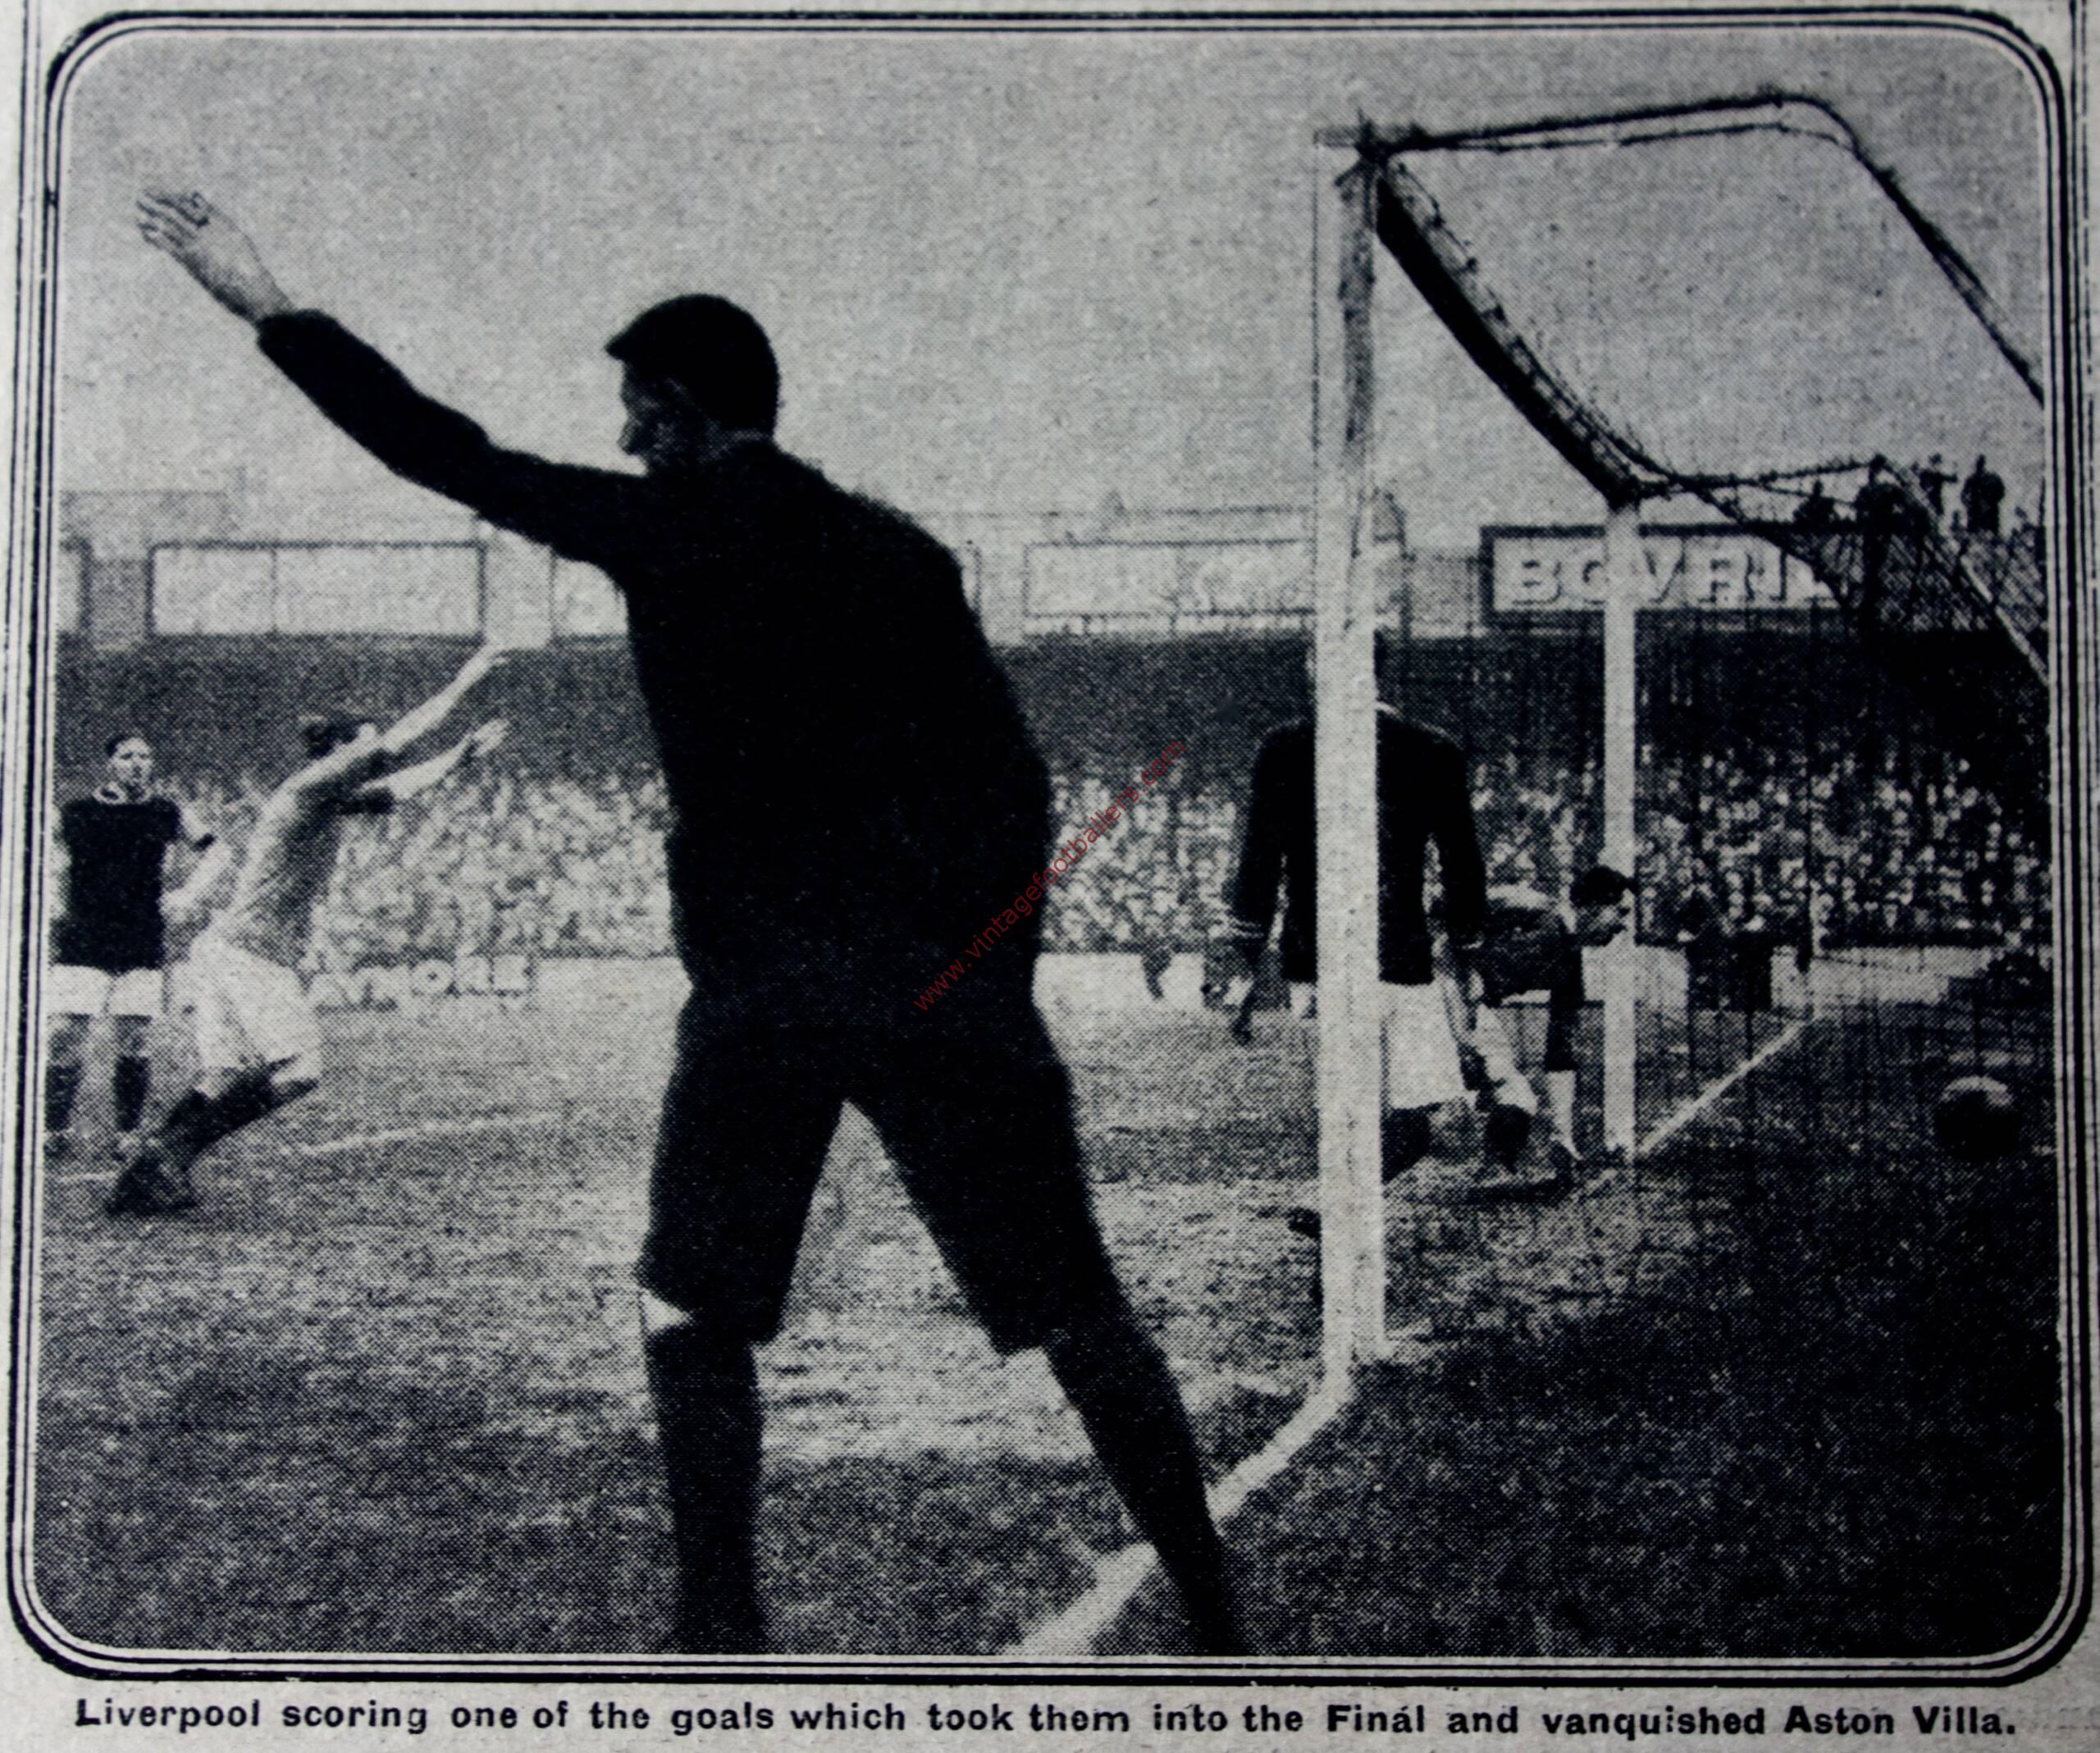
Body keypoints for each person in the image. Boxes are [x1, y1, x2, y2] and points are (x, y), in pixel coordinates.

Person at [139, 189, 1245, 1656]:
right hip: (937, 990)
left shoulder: (664, 533)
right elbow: (1013, 787)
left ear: (683, 411)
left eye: (635, 411)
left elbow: (437, 446)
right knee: (1076, 1306)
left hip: (763, 998)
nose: (620, 438)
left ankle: (720, 1617)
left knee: (692, 1305)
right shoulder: (902, 555)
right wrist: (976, 974)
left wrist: (267, 304)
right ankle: (1222, 1614)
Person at [103, 641, 509, 1217]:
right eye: (362, 744)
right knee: (297, 1070)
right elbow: (395, 747)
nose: (372, 752)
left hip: (224, 946)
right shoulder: (307, 790)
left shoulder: (324, 799)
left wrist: (460, 756)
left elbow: (398, 787)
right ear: (337, 751)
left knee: (222, 1075)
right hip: (251, 950)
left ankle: (146, 1170)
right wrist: (464, 681)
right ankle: (170, 1155)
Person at [1223, 683, 1489, 1235]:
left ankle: (1332, 1216)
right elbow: (1462, 861)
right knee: (1414, 1126)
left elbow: (1258, 857)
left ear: (1314, 665)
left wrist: (1246, 959)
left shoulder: (1285, 746)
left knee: (1355, 1116)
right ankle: (1336, 1234)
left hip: (1316, 962)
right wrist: (1468, 954)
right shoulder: (1431, 747)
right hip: (1399, 959)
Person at [43, 733, 217, 1162]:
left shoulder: (167, 811)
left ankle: (127, 1132)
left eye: (144, 756)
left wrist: (189, 893)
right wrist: (50, 898)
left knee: (135, 1036)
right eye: (127, 756)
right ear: (111, 764)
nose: (137, 763)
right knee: (65, 1031)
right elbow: (41, 852)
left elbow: (218, 852)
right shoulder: (77, 812)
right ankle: (55, 1129)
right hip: (84, 935)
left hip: (141, 936)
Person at [1449, 864, 1637, 1198]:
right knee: (1426, 1111)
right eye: (1620, 912)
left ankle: (1491, 1172)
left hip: (1470, 1006)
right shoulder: (1535, 913)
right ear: (1593, 906)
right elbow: (1451, 925)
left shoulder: (1569, 958)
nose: (1623, 925)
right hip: (1439, 992)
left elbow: (1561, 1048)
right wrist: (1461, 1033)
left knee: (1516, 1098)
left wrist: (1562, 1134)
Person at [1961, 454, 2006, 536]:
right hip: (1978, 511)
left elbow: (1963, 496)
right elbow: (1963, 495)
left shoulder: (1973, 478)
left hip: (1983, 511)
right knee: (1981, 534)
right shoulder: (1972, 478)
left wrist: (1991, 503)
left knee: (1986, 534)